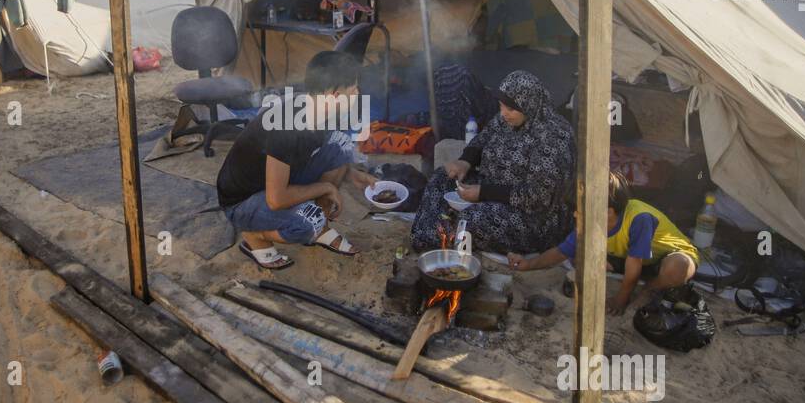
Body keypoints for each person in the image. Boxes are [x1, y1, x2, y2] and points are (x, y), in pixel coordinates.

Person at [216, 50, 377, 269]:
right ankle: (255, 237)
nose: (358, 93)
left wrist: (353, 175)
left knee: (341, 144)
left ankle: (319, 225)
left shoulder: (319, 110)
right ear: (336, 96)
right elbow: (276, 199)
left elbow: (330, 152)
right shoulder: (286, 126)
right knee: (308, 224)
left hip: (275, 182)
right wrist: (326, 187)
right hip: (243, 201)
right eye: (353, 89)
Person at [411, 70, 575, 253]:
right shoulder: (506, 119)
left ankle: (446, 241)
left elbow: (538, 197)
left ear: (529, 104)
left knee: (472, 221)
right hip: (492, 189)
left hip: (535, 217)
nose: (503, 113)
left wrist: (483, 193)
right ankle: (427, 237)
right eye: (501, 105)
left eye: (510, 109)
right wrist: (465, 162)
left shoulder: (554, 137)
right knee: (442, 178)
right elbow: (482, 139)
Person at [509, 170, 698, 314]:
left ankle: (648, 290)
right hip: (630, 259)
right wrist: (528, 264)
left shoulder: (640, 218)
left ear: (607, 211)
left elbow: (635, 262)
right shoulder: (591, 221)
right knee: (581, 258)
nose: (575, 214)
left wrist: (621, 299)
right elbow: (561, 252)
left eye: (580, 210)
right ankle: (636, 281)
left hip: (664, 258)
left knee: (678, 267)